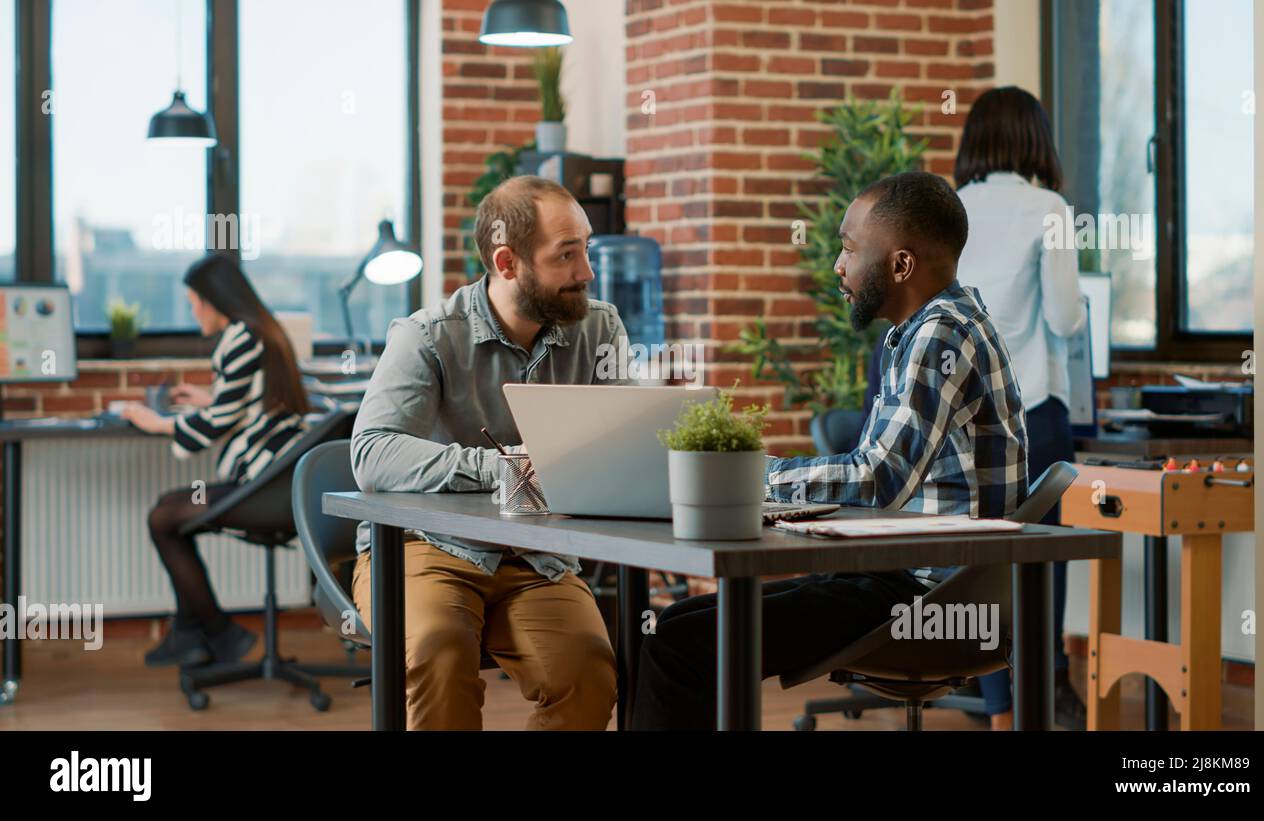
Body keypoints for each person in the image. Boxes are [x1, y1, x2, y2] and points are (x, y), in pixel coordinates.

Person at [629, 170, 1029, 730]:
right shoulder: (933, 327)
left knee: (680, 641)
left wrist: (750, 477)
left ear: (901, 264)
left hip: (930, 599)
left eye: (848, 249)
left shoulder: (941, 334)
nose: (838, 266)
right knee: (677, 621)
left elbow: (875, 480)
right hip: (907, 578)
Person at [349, 175, 630, 730]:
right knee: (439, 651)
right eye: (567, 255)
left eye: (587, 249)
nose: (587, 273)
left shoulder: (601, 328)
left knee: (590, 671)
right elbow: (372, 454)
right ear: (508, 263)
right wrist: (508, 469)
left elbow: (621, 443)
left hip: (535, 554)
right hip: (426, 548)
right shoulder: (427, 335)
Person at [954, 86, 1088, 731]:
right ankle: (1045, 693)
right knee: (1040, 560)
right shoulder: (1049, 208)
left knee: (978, 563)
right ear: (1035, 139)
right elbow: (1063, 319)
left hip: (959, 416)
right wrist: (1085, 308)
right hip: (1033, 410)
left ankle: (997, 711)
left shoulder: (946, 208)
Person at [121, 254, 311, 668]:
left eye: (193, 302)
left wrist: (157, 423)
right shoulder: (264, 331)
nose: (193, 311)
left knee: (164, 517)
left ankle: (218, 633)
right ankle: (193, 633)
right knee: (167, 514)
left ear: (213, 300)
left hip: (264, 486)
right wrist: (209, 399)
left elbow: (219, 423)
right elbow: (257, 403)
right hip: (281, 481)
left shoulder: (240, 337)